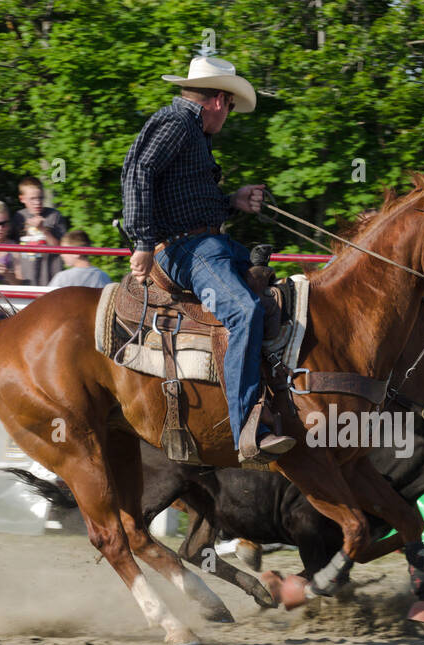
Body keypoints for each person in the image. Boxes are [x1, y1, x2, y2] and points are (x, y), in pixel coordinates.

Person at [120, 55, 294, 462]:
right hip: (187, 251)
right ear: (219, 100)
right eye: (231, 107)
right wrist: (143, 241)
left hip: (207, 245)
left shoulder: (193, 132)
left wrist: (231, 202)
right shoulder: (177, 123)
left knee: (278, 296)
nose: (229, 115)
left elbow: (188, 202)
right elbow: (137, 170)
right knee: (244, 312)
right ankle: (247, 427)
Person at [12, 176, 68, 287]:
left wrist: (43, 230)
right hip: (27, 280)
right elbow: (8, 243)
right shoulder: (18, 217)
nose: (37, 202)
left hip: (51, 279)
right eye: (32, 199)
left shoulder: (54, 216)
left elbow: (62, 249)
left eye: (40, 198)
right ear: (22, 199)